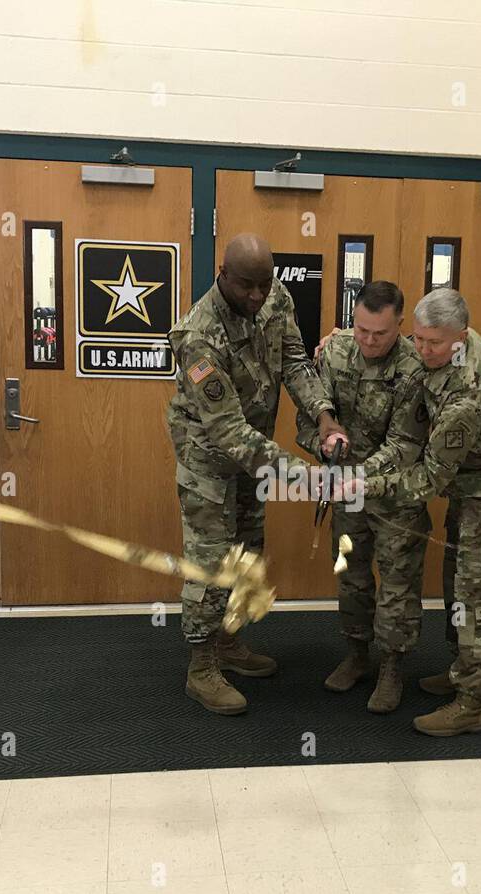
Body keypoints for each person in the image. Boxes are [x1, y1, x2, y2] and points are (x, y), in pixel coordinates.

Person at [167, 233, 347, 715]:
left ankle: (229, 643)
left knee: (248, 548)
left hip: (256, 452)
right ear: (223, 276)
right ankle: (200, 667)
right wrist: (302, 476)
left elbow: (293, 360)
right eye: (246, 285)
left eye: (264, 284)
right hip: (210, 457)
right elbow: (226, 429)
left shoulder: (275, 295)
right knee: (210, 559)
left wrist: (323, 412)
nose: (256, 295)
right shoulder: (198, 336)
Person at [344, 288, 481, 737]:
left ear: (461, 337)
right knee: (455, 580)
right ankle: (459, 672)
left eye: (433, 343)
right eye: (417, 339)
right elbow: (409, 440)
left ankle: (473, 703)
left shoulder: (469, 393)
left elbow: (426, 481)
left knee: (479, 595)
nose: (421, 350)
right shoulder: (442, 349)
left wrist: (365, 484)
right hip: (466, 483)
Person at [295, 281, 429, 713]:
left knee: (396, 583)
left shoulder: (414, 368)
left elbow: (406, 445)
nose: (369, 341)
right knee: (351, 575)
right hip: (347, 493)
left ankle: (392, 667)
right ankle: (357, 655)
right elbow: (307, 420)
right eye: (362, 330)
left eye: (381, 334)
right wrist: (326, 442)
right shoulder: (334, 354)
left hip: (395, 496)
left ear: (400, 326)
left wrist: (358, 475)